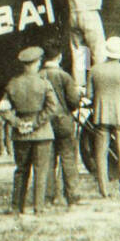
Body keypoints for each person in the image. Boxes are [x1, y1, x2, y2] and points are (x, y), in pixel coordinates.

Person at [0, 46, 60, 214]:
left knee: (21, 170)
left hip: (20, 135)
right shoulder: (43, 83)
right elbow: (53, 108)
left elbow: (3, 109)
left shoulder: (12, 84)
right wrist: (35, 124)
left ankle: (16, 207)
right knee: (41, 171)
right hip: (42, 133)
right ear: (37, 63)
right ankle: (38, 208)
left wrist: (18, 123)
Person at [88, 36, 120, 197]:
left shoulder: (95, 70)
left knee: (100, 153)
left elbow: (89, 95)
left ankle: (103, 188)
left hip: (100, 116)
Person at [39, 49, 82, 206]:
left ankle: (48, 197)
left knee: (47, 161)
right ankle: (73, 195)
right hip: (63, 122)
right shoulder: (64, 76)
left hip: (44, 124)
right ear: (59, 56)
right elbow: (73, 102)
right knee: (68, 158)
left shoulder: (38, 76)